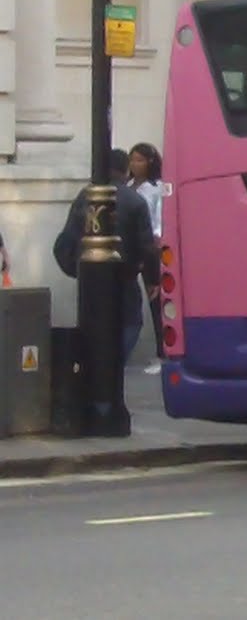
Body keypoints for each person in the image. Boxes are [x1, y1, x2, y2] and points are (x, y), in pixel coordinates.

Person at [52, 149, 159, 437]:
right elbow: (148, 248)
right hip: (123, 281)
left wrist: (78, 270)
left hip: (90, 283)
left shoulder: (83, 197)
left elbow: (64, 243)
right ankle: (108, 387)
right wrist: (151, 280)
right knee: (130, 324)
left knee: (92, 331)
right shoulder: (135, 201)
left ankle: (99, 389)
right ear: (125, 171)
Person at [128, 143, 165, 372]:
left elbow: (159, 221)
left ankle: (163, 352)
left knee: (156, 299)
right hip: (131, 248)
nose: (135, 164)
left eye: (139, 160)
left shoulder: (156, 187)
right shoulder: (129, 186)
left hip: (150, 247)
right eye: (132, 160)